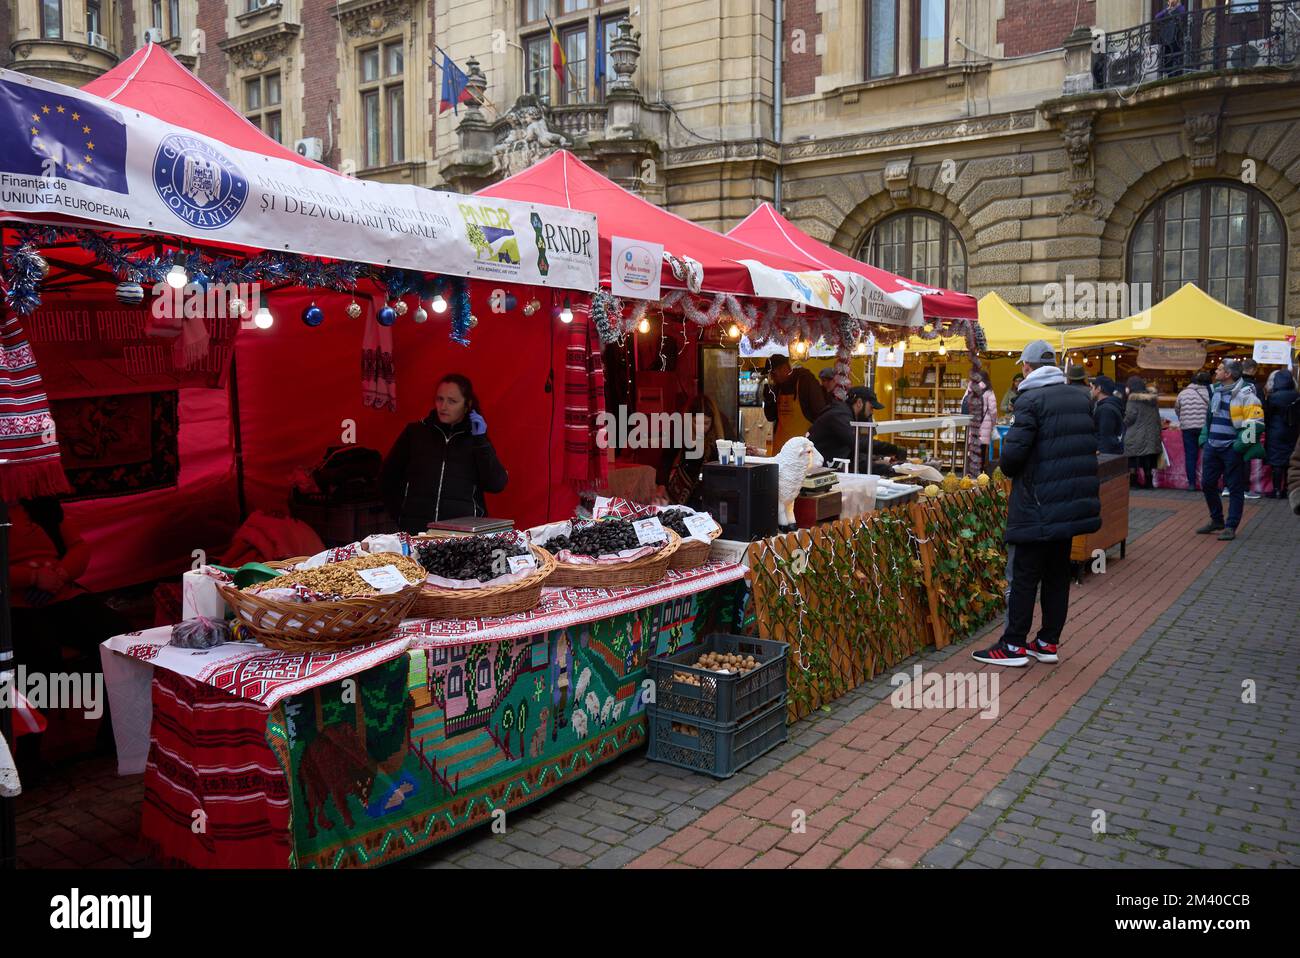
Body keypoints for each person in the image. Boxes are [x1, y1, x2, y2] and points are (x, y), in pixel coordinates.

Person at [973, 340, 1100, 667]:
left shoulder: (1029, 400)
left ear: (1027, 367)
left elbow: (1012, 459)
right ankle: (1047, 642)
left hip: (1037, 504)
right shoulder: (1080, 397)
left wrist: (1004, 460)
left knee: (1024, 575)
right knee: (1057, 575)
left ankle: (1013, 645)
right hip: (1070, 504)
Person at [7, 496, 129, 769]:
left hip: (59, 592)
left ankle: (115, 733)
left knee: (118, 637)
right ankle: (29, 752)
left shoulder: (41, 504)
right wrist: (32, 578)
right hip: (11, 604)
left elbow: (77, 547)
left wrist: (59, 574)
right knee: (38, 653)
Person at [380, 374, 509, 532]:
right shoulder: (415, 433)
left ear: (467, 405)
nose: (443, 406)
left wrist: (481, 442)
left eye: (452, 401)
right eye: (439, 399)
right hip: (418, 530)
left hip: (462, 533)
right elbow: (387, 477)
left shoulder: (476, 439)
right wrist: (401, 514)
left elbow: (496, 484)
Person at [1196, 358, 1262, 541]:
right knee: (1207, 483)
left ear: (1228, 374)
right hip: (1213, 446)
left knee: (1235, 488)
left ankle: (1231, 526)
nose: (1215, 372)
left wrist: (1240, 446)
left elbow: (1255, 422)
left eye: (1219, 369)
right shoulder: (1216, 391)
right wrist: (1205, 439)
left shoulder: (1246, 394)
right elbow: (1210, 417)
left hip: (1231, 448)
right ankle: (1217, 520)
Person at [809, 384, 903, 473]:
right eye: (871, 407)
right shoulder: (839, 415)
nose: (872, 412)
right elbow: (859, 443)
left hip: (825, 469)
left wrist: (887, 468)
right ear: (859, 403)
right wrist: (894, 449)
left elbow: (857, 457)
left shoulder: (848, 417)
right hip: (814, 471)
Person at [662, 394, 728, 506]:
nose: (701, 428)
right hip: (679, 499)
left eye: (706, 423)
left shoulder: (717, 441)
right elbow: (665, 462)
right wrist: (661, 485)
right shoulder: (679, 435)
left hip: (708, 499)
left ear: (713, 422)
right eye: (696, 423)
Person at [763, 353, 828, 451]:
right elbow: (770, 417)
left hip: (801, 451)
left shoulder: (806, 381)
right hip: (780, 450)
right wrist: (769, 400)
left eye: (773, 374)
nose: (772, 378)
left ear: (784, 368)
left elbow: (821, 415)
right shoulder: (778, 387)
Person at [1263, 369, 1299, 499]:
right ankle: (1286, 489)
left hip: (1275, 431)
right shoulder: (1296, 395)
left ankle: (1277, 490)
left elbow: (1267, 416)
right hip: (1293, 431)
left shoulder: (1273, 397)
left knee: (1277, 461)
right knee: (1289, 459)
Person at [1123, 375, 1162, 489]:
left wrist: (1123, 420)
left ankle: (1134, 483)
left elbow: (1130, 418)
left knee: (1133, 458)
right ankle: (1148, 483)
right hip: (1151, 435)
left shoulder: (1133, 400)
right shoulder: (1152, 400)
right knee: (1148, 460)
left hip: (1136, 435)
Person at [1175, 371, 1212, 490]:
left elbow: (1177, 409)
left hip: (1188, 427)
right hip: (1204, 428)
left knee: (1190, 456)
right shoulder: (1209, 392)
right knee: (1208, 456)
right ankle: (1207, 483)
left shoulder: (1183, 393)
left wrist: (1183, 419)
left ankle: (1191, 483)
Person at [963, 370, 997, 476]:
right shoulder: (988, 391)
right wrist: (994, 423)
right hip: (983, 428)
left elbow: (963, 404)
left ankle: (969, 476)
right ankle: (979, 478)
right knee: (981, 453)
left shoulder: (970, 389)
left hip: (972, 428)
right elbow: (993, 410)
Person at [1090, 375, 1125, 454]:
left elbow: (1106, 437)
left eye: (1092, 387)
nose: (1091, 390)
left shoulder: (1106, 409)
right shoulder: (1108, 406)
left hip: (1106, 455)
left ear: (1099, 388)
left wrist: (1102, 457)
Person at [1155, 0, 1187, 78]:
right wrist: (1167, 9)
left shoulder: (1181, 7)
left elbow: (1182, 13)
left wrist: (1174, 8)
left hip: (1176, 37)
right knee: (1167, 57)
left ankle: (1177, 74)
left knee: (1176, 56)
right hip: (1167, 38)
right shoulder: (1167, 9)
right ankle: (1169, 74)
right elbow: (1157, 17)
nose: (1170, 1)